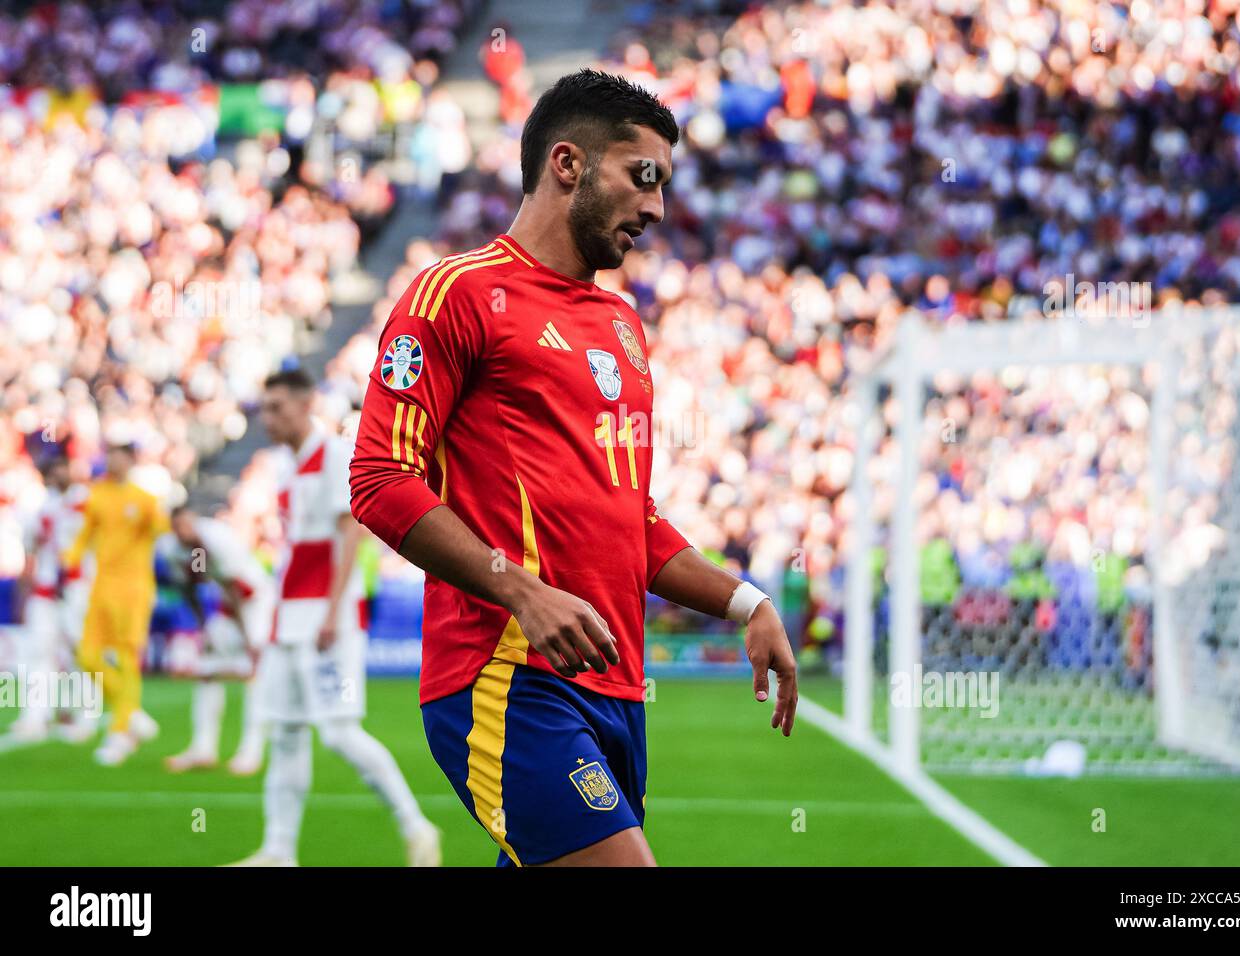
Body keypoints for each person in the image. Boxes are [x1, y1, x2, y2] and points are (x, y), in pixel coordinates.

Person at [350, 70, 799, 867]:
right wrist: (522, 590)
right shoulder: (456, 292)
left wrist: (745, 601)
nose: (657, 209)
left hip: (616, 686)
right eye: (643, 176)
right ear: (568, 164)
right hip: (508, 672)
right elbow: (381, 477)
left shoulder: (623, 326)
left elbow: (633, 520)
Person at [228, 369, 441, 867]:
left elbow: (351, 532)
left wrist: (330, 610)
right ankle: (278, 850)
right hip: (288, 620)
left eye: (277, 407)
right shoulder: (284, 464)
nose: (269, 418)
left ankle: (417, 826)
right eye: (266, 408)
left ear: (306, 406)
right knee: (284, 732)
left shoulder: (331, 454)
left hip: (328, 620)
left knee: (341, 732)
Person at [62, 441, 170, 766]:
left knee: (126, 658)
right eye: (109, 456)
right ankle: (132, 711)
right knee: (87, 655)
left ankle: (120, 731)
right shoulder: (98, 494)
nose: (113, 462)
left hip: (134, 588)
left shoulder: (145, 499)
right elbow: (86, 533)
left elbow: (161, 530)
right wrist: (72, 557)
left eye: (119, 457)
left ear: (131, 461)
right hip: (102, 585)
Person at [161, 504, 272, 775]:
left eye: (187, 524)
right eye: (177, 527)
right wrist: (204, 627)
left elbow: (235, 586)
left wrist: (248, 640)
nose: (183, 531)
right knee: (207, 671)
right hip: (225, 606)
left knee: (254, 674)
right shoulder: (172, 549)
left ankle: (251, 751)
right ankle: (203, 749)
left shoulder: (218, 537)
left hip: (255, 602)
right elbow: (188, 589)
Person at [9, 452, 96, 744]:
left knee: (81, 653)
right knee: (39, 652)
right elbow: (30, 552)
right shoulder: (39, 507)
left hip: (77, 586)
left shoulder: (86, 502)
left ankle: (83, 714)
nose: (57, 475)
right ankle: (36, 716)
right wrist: (24, 590)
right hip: (46, 589)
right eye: (52, 470)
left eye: (61, 468)